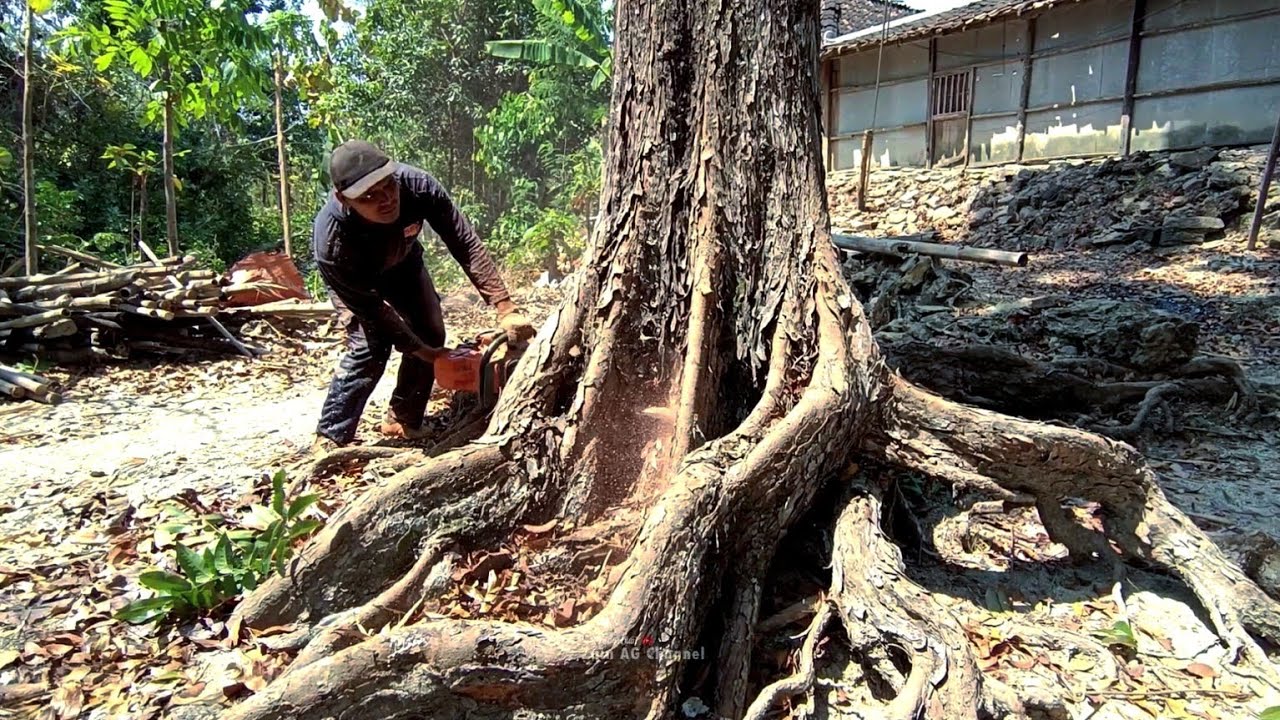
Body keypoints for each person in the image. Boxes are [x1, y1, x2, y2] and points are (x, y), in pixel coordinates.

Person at [310, 140, 535, 451]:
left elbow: (463, 242)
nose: (386, 199)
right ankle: (332, 435)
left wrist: (504, 304)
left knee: (430, 331)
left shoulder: (418, 186)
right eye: (369, 197)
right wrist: (424, 354)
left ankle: (403, 418)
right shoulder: (331, 242)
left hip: (404, 264)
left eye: (388, 185)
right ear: (344, 199)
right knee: (371, 345)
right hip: (357, 281)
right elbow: (375, 312)